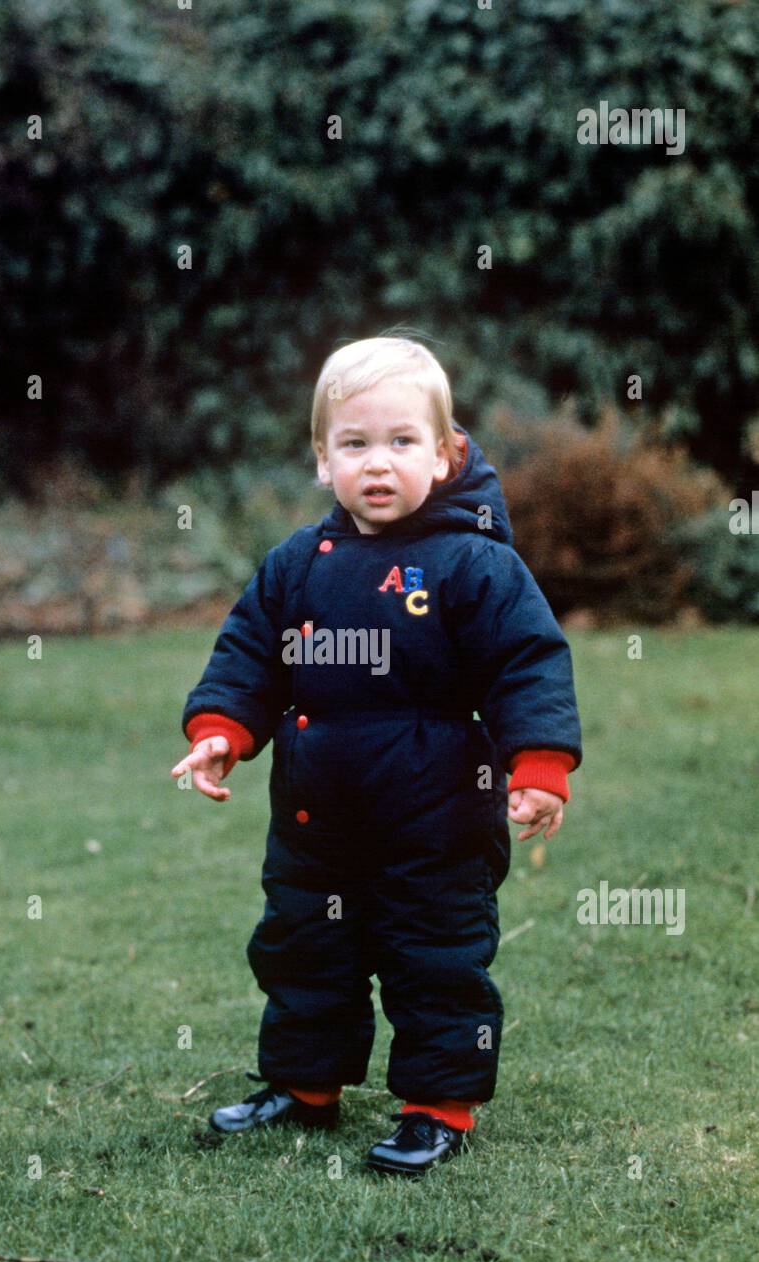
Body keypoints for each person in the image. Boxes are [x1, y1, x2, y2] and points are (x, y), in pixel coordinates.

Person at [171, 336, 582, 1176]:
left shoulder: (474, 563)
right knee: (303, 947)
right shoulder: (297, 564)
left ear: (445, 453)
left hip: (435, 818)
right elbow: (250, 655)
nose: (378, 463)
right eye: (355, 445)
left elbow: (526, 665)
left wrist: (538, 768)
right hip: (316, 816)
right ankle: (303, 1082)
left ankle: (438, 1105)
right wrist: (221, 730)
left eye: (402, 442)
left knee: (436, 956)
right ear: (323, 461)